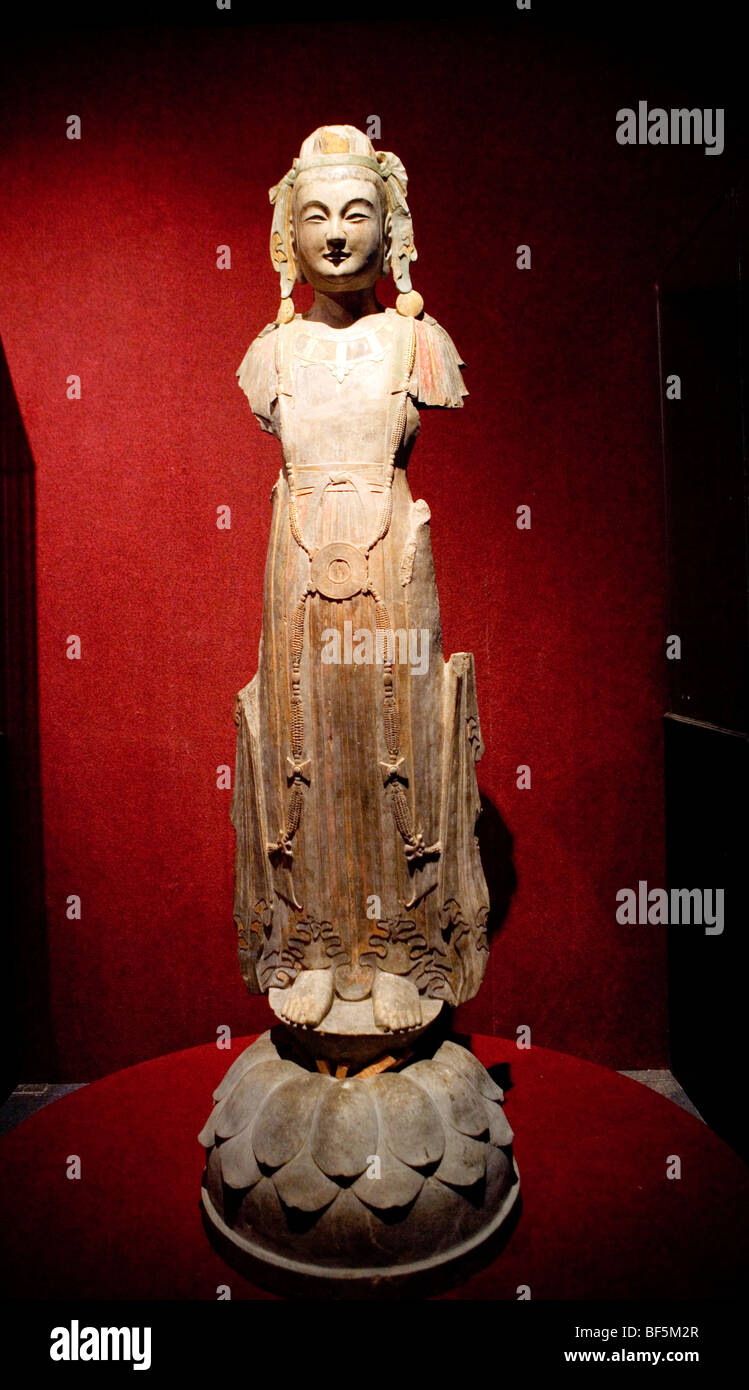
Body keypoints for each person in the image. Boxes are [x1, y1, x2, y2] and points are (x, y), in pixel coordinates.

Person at [232, 125, 489, 1032]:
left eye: (356, 214)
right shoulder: (272, 356)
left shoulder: (415, 346)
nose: (336, 234)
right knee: (305, 747)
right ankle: (314, 945)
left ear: (393, 231)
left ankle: (396, 948)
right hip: (296, 555)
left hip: (390, 551)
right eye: (315, 217)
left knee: (398, 746)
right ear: (285, 237)